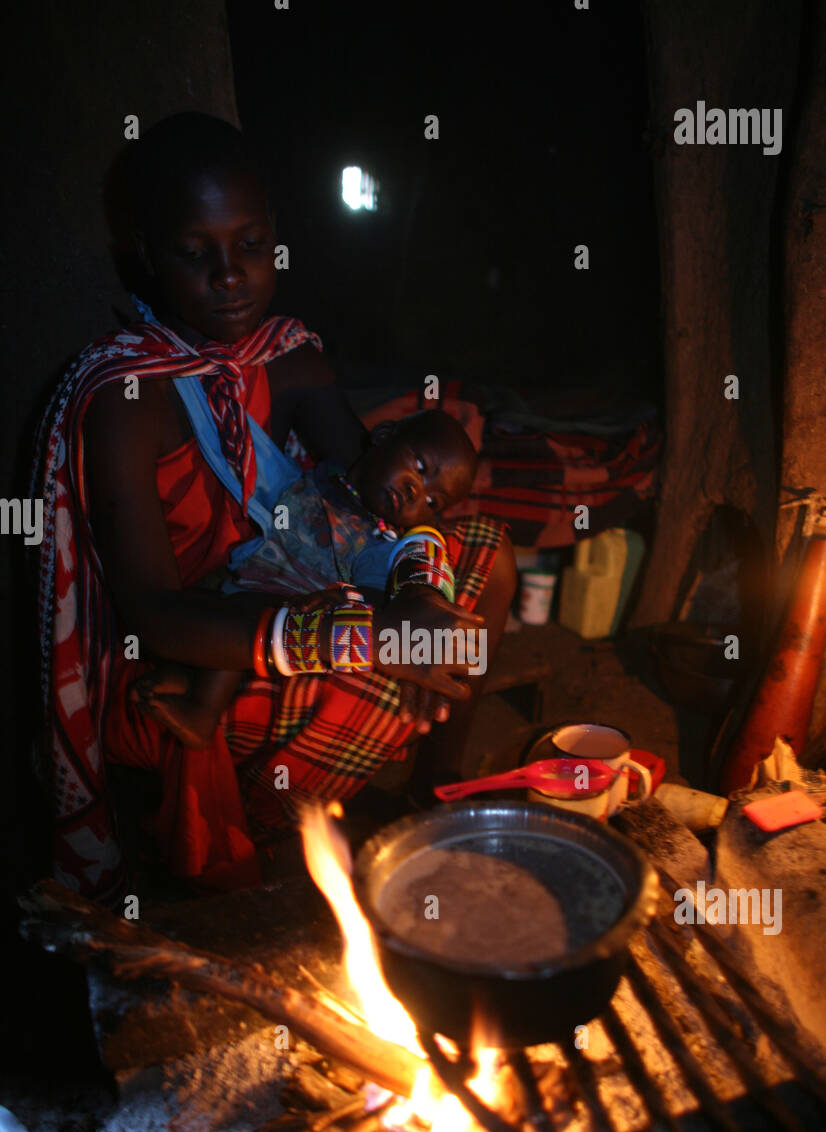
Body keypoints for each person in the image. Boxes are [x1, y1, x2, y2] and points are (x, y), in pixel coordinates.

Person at [31, 113, 515, 905]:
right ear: (146, 258)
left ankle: (437, 785)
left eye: (250, 246)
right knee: (381, 670)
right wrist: (369, 634)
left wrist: (420, 597)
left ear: (276, 241)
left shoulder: (289, 357)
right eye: (195, 255)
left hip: (292, 586)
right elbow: (151, 613)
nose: (229, 275)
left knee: (482, 564)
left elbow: (379, 497)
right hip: (187, 654)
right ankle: (256, 836)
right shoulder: (125, 399)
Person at [132, 410, 481, 750]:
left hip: (293, 606)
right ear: (384, 435)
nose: (415, 491)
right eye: (419, 468)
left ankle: (203, 712)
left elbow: (377, 597)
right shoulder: (324, 472)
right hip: (251, 570)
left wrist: (341, 595)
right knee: (201, 601)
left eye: (432, 501)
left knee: (245, 614)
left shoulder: (381, 541)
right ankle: (189, 673)